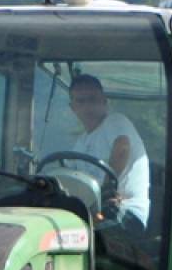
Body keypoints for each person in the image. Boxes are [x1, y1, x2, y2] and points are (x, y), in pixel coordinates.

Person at [63, 73, 149, 226]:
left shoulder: (115, 122)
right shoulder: (80, 143)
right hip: (98, 214)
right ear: (73, 107)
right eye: (81, 101)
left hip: (126, 212)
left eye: (92, 99)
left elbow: (122, 148)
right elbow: (68, 177)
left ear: (104, 101)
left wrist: (106, 191)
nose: (87, 106)